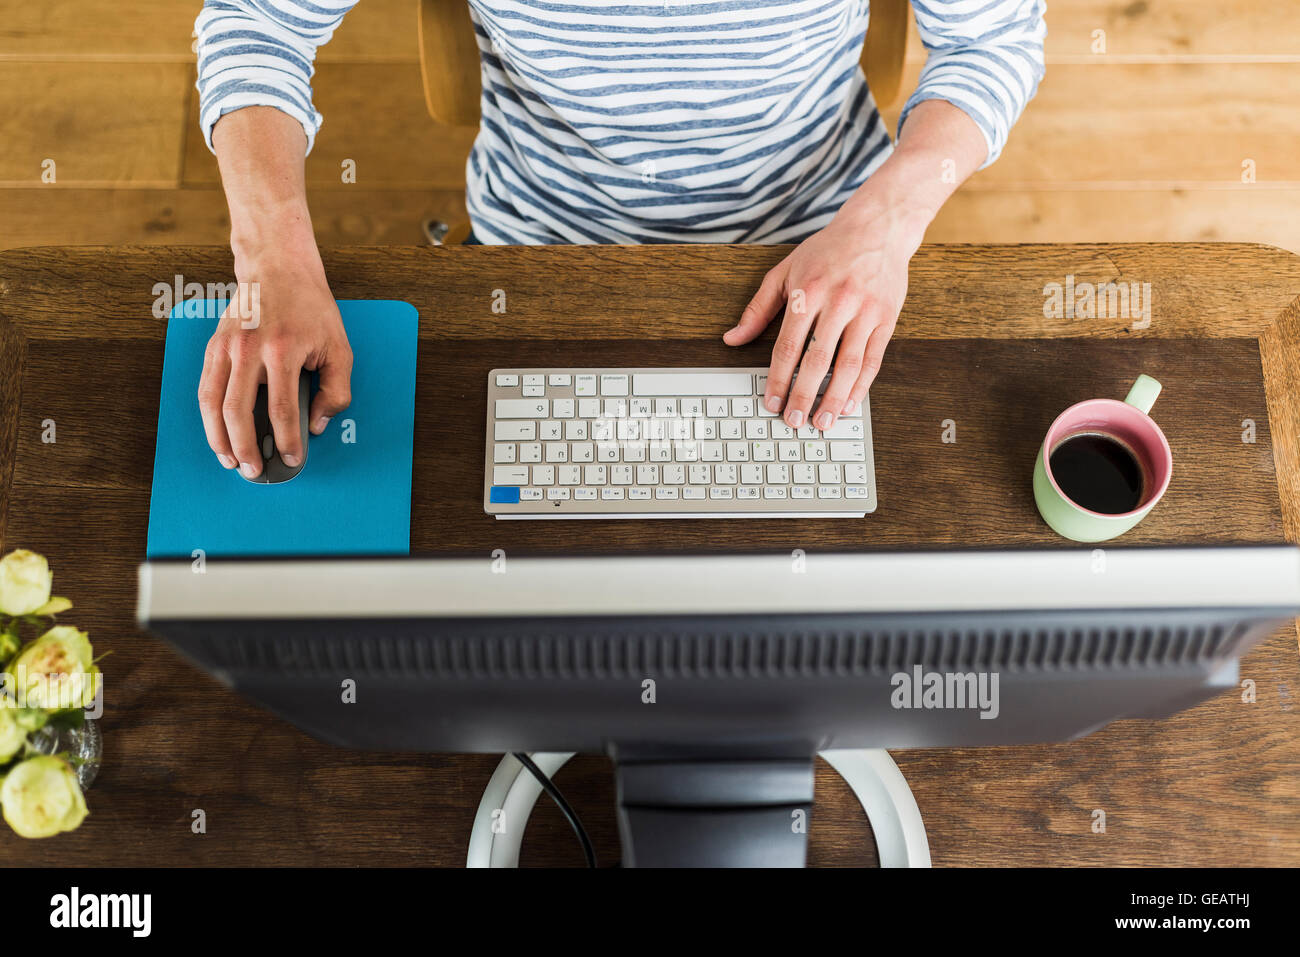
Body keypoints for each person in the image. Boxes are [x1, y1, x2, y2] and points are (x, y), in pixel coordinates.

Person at [193, 0, 1044, 478]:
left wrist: (886, 220)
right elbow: (258, 22)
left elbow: (993, 35)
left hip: (826, 246)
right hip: (543, 247)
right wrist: (270, 260)